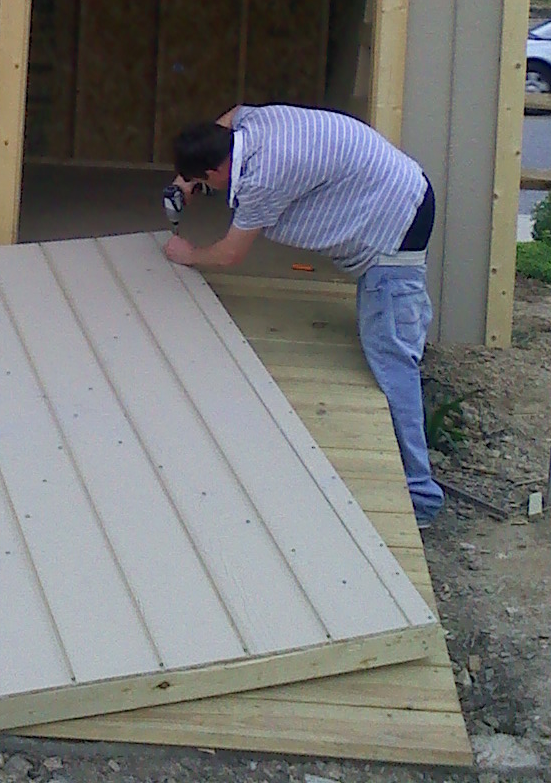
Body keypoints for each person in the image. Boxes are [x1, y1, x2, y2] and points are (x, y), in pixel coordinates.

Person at [166, 103, 443, 527]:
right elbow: (231, 114)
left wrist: (186, 254)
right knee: (389, 334)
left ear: (216, 171)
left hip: (395, 222)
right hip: (402, 187)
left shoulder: (263, 180)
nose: (211, 189)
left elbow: (230, 254)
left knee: (391, 354)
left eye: (205, 181)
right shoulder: (252, 123)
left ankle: (420, 496)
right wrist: (186, 180)